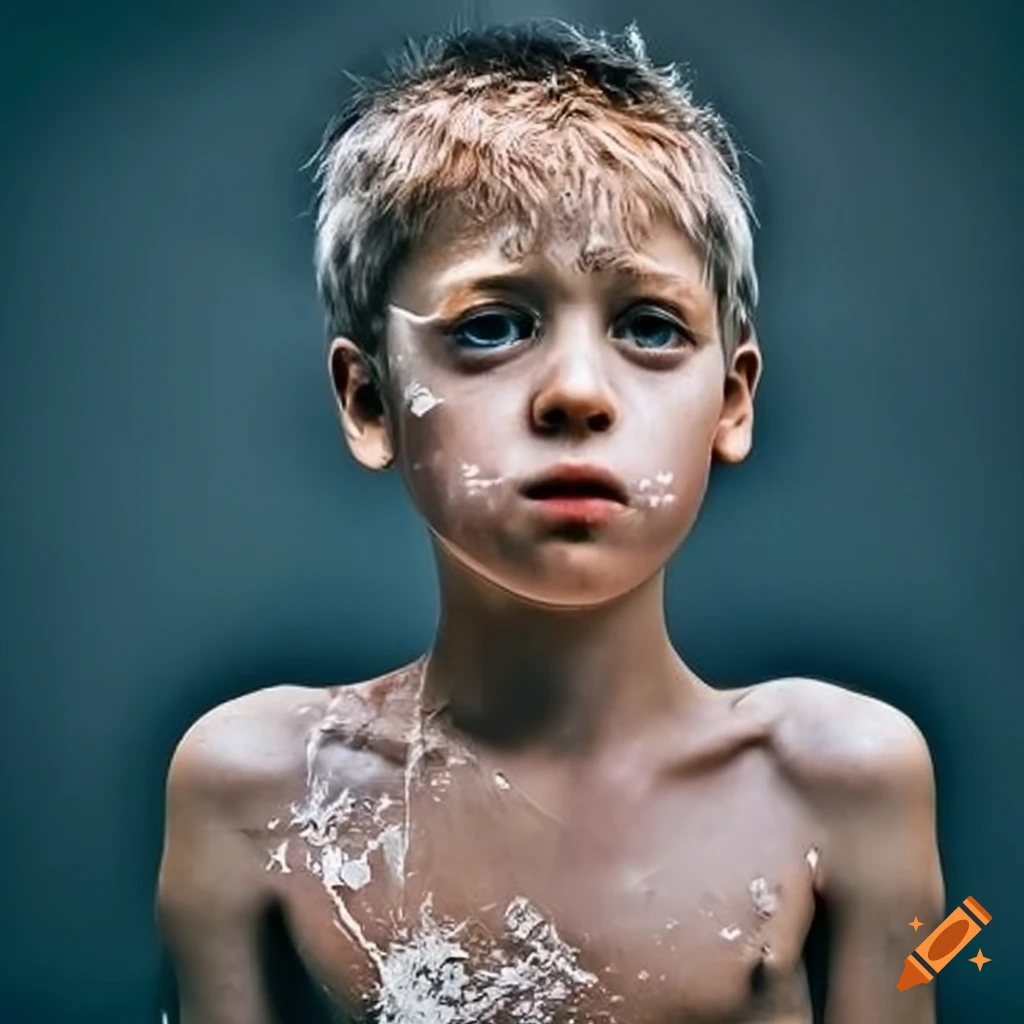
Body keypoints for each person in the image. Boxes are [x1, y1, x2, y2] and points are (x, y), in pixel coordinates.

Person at [156, 20, 944, 1024]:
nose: (577, 392)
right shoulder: (258, 788)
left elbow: (938, 959)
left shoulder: (847, 779)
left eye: (649, 326)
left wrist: (953, 947)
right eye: (491, 326)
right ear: (369, 400)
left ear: (732, 400)